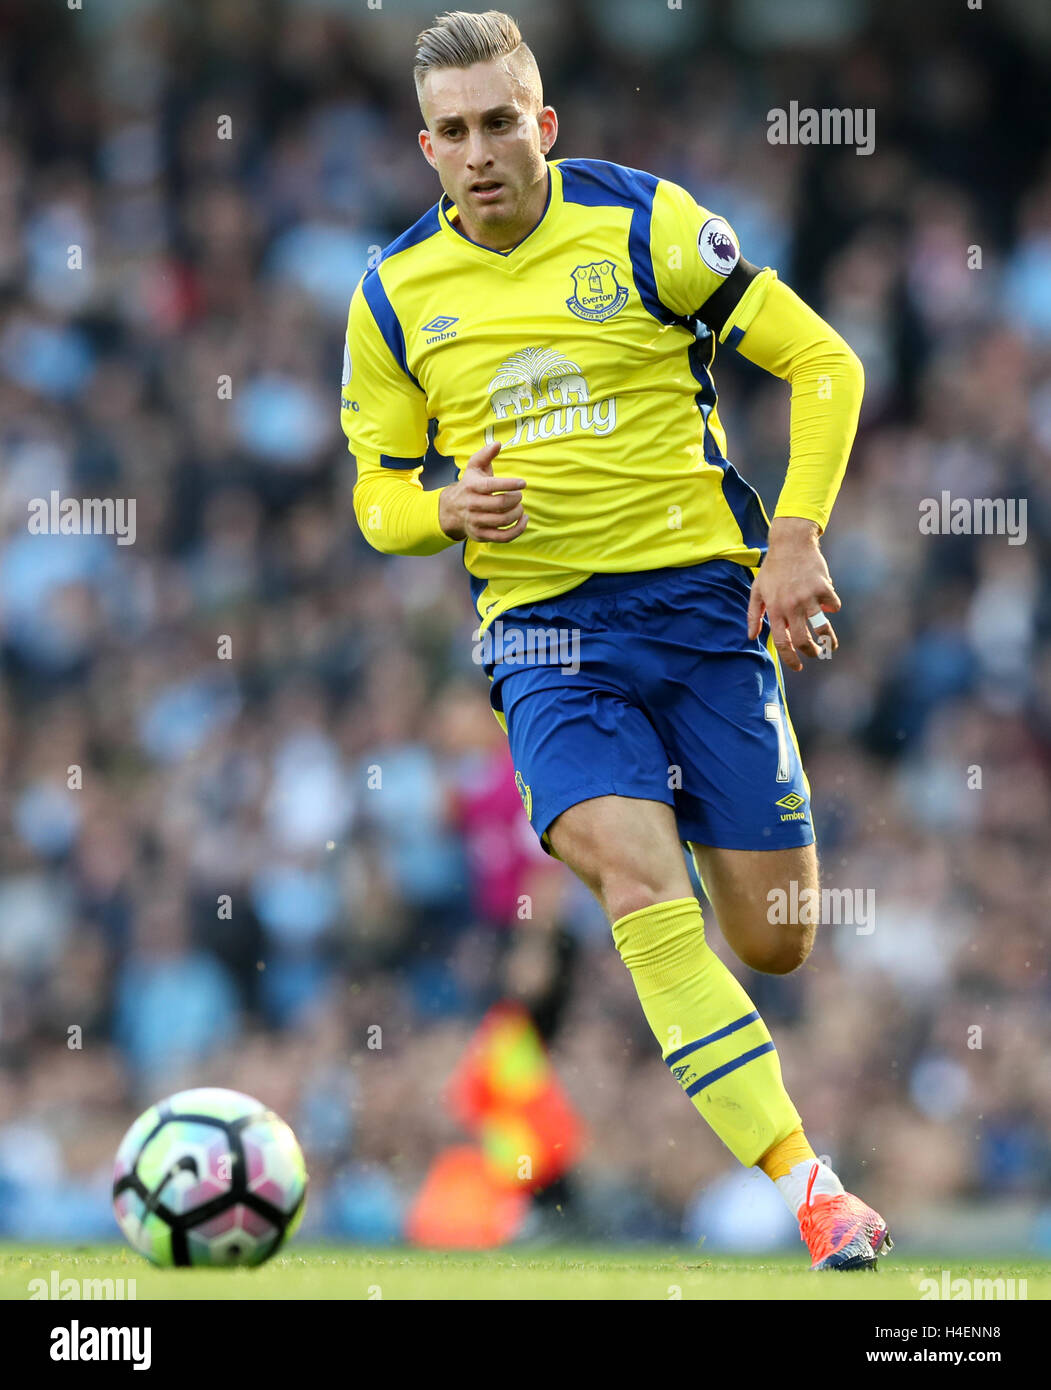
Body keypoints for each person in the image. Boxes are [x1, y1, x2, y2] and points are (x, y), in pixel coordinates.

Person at [342, 8, 890, 1269]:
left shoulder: (646, 226)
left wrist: (796, 533)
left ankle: (702, 815)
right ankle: (813, 1187)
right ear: (424, 148)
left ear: (541, 125)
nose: (478, 151)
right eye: (452, 133)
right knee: (643, 891)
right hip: (543, 633)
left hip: (703, 608)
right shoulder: (391, 296)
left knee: (774, 940)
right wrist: (438, 509)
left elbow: (823, 363)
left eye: (498, 124)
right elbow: (374, 493)